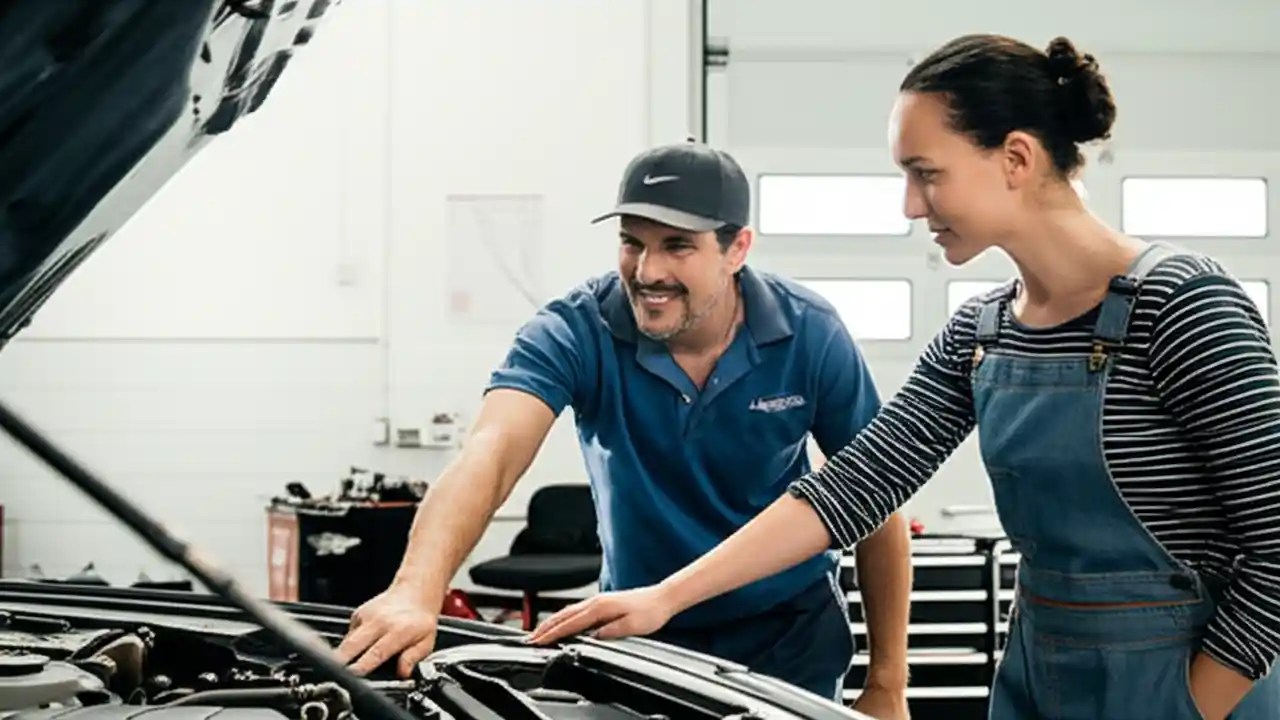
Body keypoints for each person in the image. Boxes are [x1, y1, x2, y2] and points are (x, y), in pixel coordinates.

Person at [525, 34, 1280, 720]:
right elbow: (857, 485)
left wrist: (1193, 707)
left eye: (925, 174)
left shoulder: (1182, 306)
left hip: (1191, 683)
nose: (910, 205)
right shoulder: (983, 331)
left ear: (1016, 159)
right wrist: (664, 599)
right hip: (1039, 674)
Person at [333, 140, 914, 713]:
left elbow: (875, 496)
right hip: (641, 632)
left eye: (677, 246)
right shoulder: (576, 329)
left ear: (737, 248)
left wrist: (887, 681)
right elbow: (492, 451)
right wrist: (415, 589)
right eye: (632, 242)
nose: (648, 271)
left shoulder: (810, 333)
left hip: (788, 635)